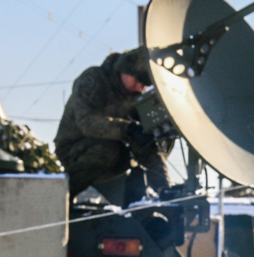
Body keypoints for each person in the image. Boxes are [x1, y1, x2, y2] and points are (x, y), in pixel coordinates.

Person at [54, 48, 169, 204]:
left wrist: (163, 186)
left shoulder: (135, 97)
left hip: (113, 153)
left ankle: (135, 206)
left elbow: (145, 143)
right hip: (74, 149)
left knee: (143, 148)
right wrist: (128, 128)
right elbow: (87, 123)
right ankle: (59, 197)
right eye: (137, 81)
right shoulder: (94, 79)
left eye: (144, 85)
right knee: (108, 150)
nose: (139, 88)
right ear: (124, 70)